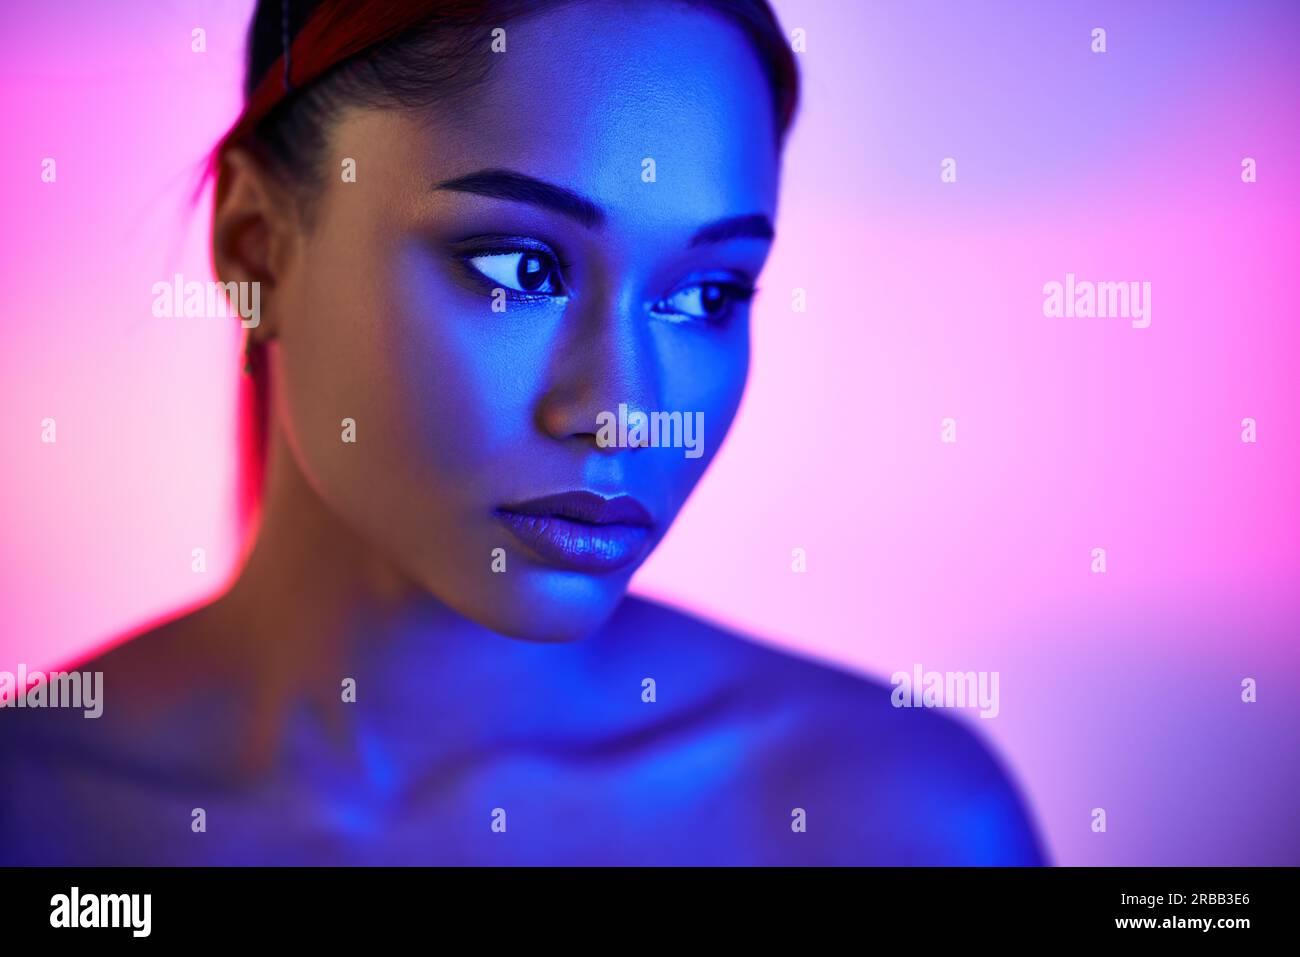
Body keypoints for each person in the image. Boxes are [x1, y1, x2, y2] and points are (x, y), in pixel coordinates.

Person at [0, 0, 1047, 865]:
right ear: (257, 245)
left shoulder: (889, 818)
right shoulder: (35, 817)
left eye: (708, 292)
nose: (627, 411)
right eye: (521, 270)